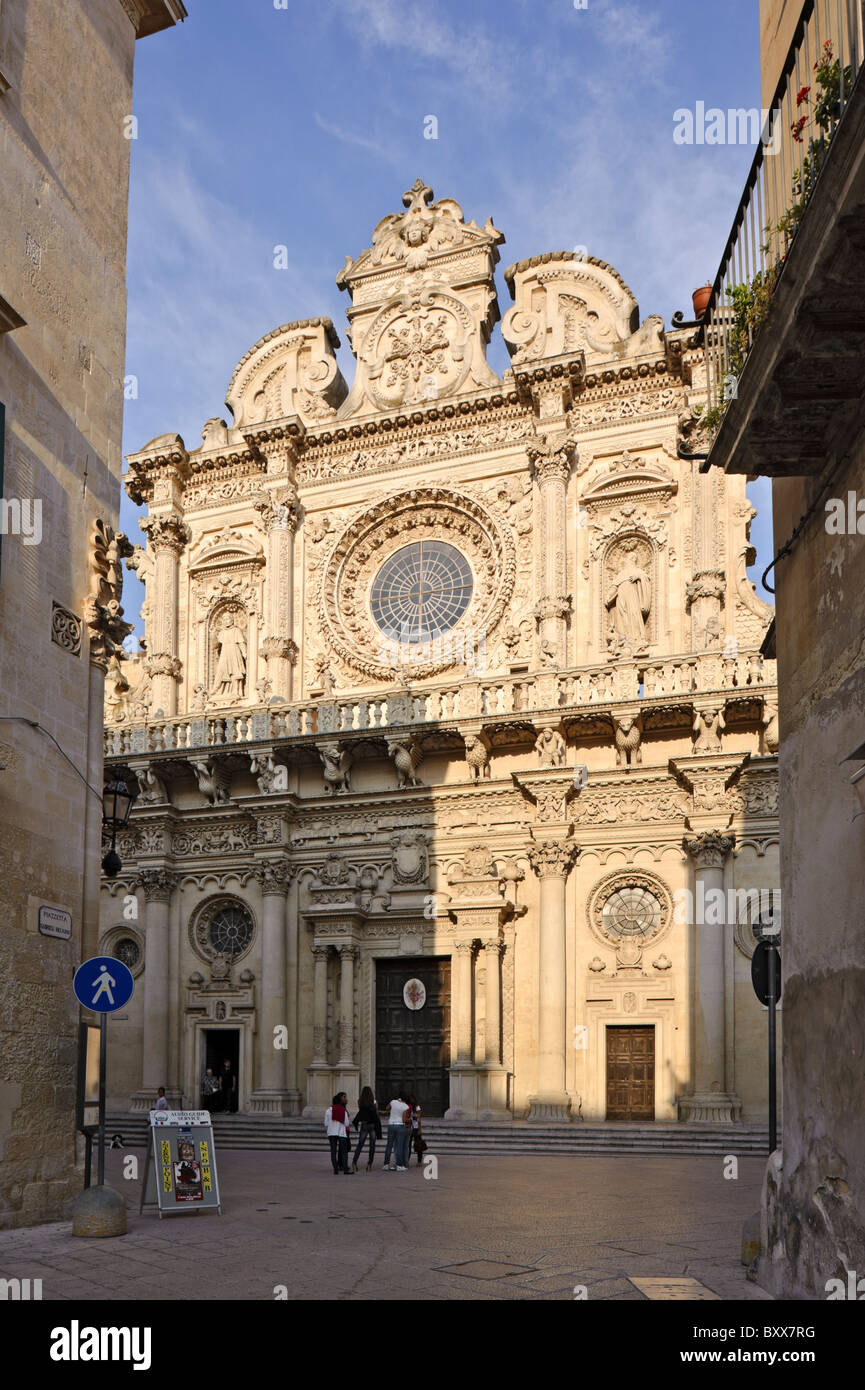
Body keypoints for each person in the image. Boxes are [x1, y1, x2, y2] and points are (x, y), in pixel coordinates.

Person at [351, 1086, 381, 1172]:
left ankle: (354, 1162)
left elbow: (361, 1112)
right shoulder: (374, 1102)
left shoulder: (360, 1101)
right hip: (372, 1125)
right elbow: (376, 1114)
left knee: (360, 1144)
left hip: (364, 1124)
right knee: (372, 1145)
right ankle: (369, 1164)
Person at [324, 1092, 353, 1174]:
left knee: (333, 1151)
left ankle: (335, 1169)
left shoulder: (329, 1110)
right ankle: (345, 1169)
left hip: (331, 1132)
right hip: (341, 1132)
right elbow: (347, 1123)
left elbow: (326, 1123)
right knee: (344, 1152)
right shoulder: (343, 1110)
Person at [382, 1091, 410, 1171]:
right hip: (400, 1125)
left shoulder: (393, 1102)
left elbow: (387, 1108)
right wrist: (409, 1119)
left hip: (391, 1124)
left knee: (389, 1145)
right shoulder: (406, 1106)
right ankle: (399, 1165)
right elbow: (404, 1120)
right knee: (399, 1146)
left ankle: (386, 1164)